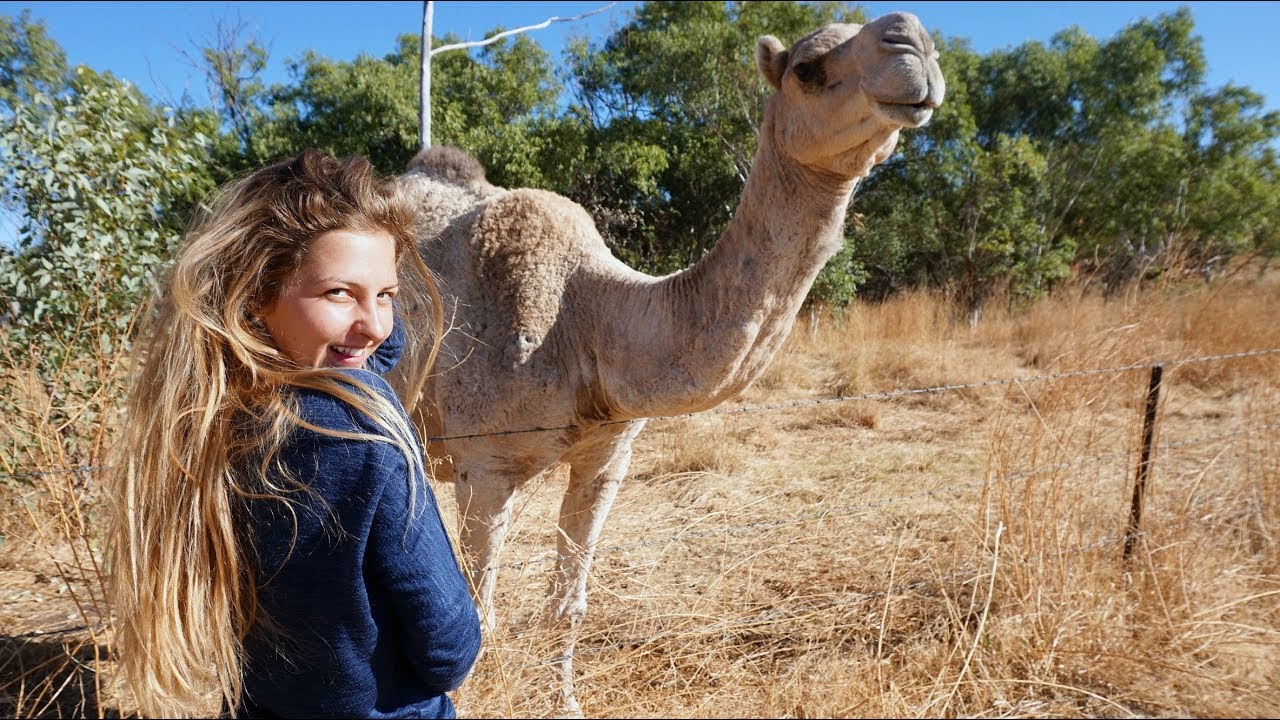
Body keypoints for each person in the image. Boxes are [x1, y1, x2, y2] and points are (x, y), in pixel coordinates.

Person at [105, 148, 481, 718]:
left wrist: (346, 316)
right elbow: (447, 648)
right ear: (254, 294)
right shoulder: (362, 425)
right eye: (339, 293)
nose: (377, 325)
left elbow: (371, 345)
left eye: (387, 295)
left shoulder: (212, 412)